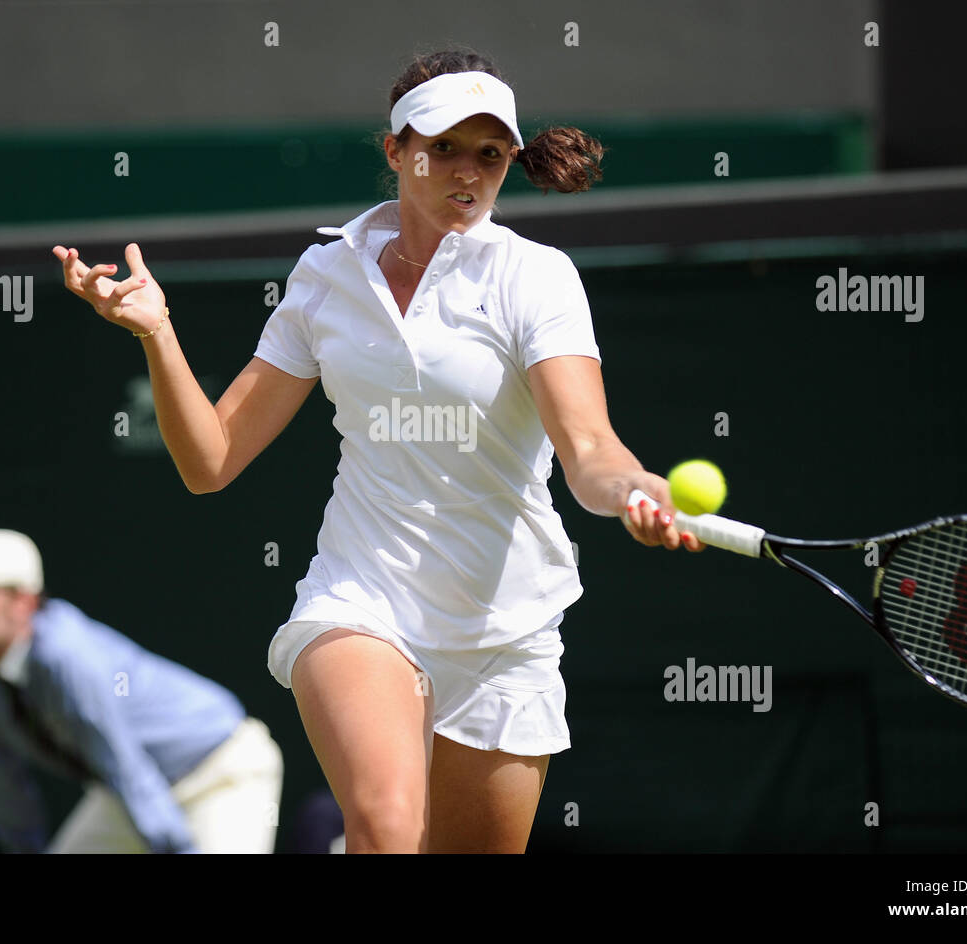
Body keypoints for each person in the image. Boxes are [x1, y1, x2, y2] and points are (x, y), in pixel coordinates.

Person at [52, 48, 703, 853]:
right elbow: (210, 460)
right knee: (388, 827)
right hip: (362, 599)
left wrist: (632, 487)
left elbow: (589, 446)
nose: (468, 173)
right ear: (396, 150)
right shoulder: (325, 276)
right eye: (444, 149)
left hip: (508, 626)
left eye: (491, 155)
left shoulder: (538, 278)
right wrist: (157, 332)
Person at [0, 528, 283, 853]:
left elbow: (121, 762)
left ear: (23, 602)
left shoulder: (66, 654)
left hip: (221, 771)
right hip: (128, 791)